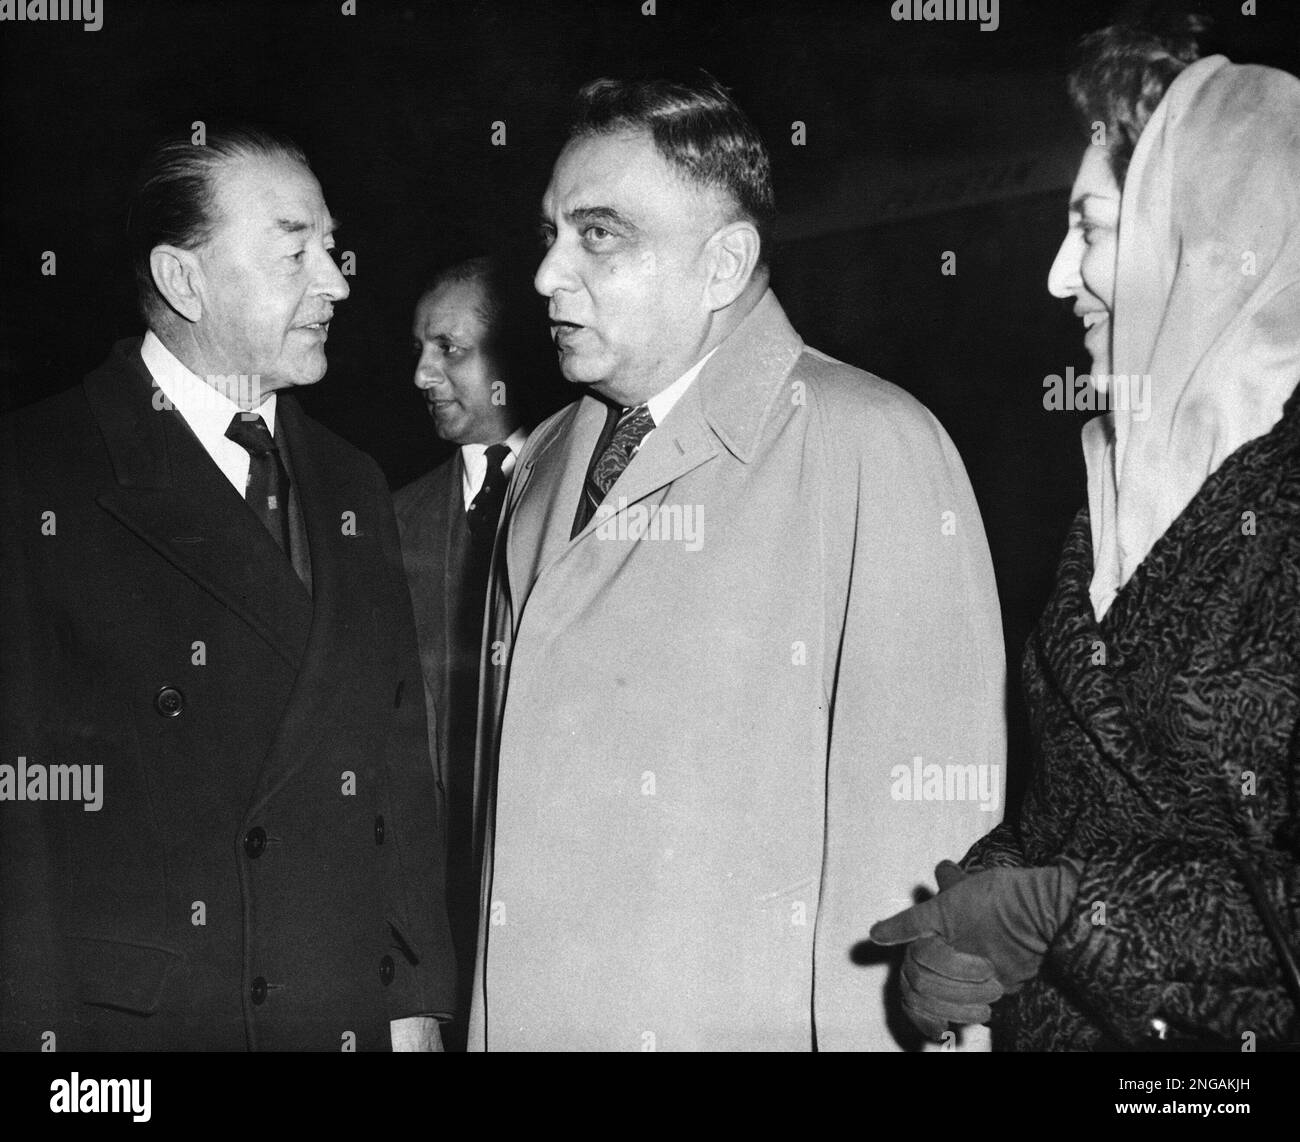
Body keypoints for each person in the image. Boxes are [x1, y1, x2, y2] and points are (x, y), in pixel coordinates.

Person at [469, 75, 1006, 1051]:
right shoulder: (541, 462)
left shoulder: (871, 445)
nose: (546, 273)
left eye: (597, 235)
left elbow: (915, 879)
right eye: (550, 232)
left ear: (723, 265)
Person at [872, 17, 1300, 1050]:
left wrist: (1059, 911)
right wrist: (977, 897)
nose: (1059, 275)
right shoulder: (1119, 490)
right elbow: (1089, 802)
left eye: (1094, 229)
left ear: (1201, 234)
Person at [0, 126, 455, 1051]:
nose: (337, 281)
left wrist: (412, 998)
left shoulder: (352, 478)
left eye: (331, 247)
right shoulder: (34, 475)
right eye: (297, 251)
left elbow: (394, 762)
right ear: (183, 280)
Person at [394, 256, 528, 1050]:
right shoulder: (388, 521)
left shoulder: (608, 496)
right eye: (419, 346)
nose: (421, 373)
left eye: (449, 348)